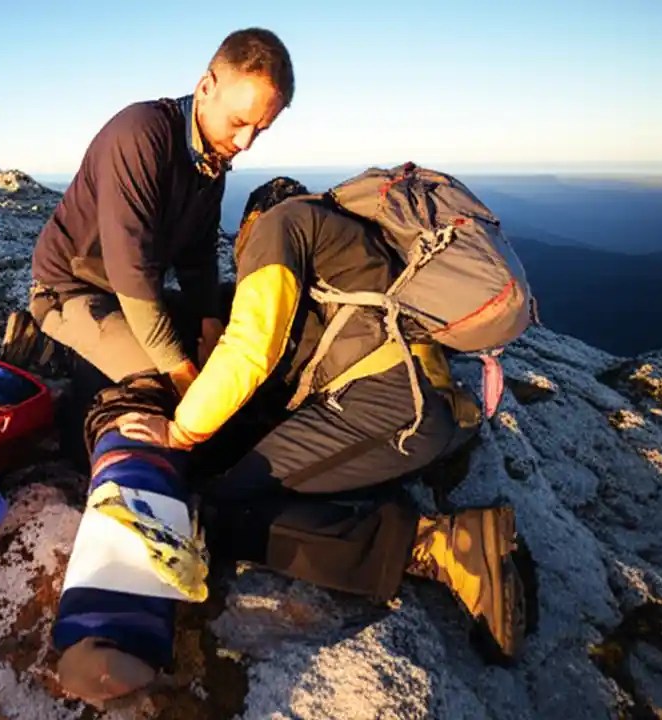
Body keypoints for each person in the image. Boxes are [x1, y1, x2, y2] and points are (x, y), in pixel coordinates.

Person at [117, 177, 527, 662]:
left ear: (252, 222)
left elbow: (252, 348)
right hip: (415, 404)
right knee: (249, 454)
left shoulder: (277, 227)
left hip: (391, 411)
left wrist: (179, 431)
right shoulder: (337, 239)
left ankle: (436, 544)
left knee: (219, 510)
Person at [1, 28, 294, 464]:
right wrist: (182, 374)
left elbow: (197, 256)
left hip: (135, 291)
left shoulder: (210, 159)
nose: (245, 142)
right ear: (206, 87)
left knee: (233, 328)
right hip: (75, 289)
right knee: (155, 386)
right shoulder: (141, 135)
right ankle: (80, 452)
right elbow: (129, 270)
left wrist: (210, 326)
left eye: (260, 129)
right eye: (238, 122)